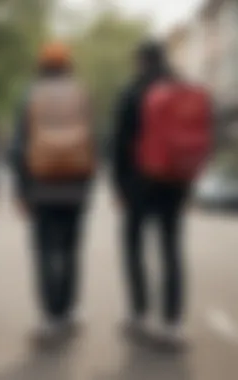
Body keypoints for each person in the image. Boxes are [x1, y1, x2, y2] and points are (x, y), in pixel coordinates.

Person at [111, 41, 211, 346]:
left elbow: (118, 142)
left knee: (134, 246)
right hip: (176, 182)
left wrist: (119, 186)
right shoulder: (184, 90)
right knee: (171, 249)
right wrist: (189, 182)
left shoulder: (133, 91)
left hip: (140, 183)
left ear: (140, 60)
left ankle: (139, 314)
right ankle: (172, 323)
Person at [10, 42, 95, 334]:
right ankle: (68, 311)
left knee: (44, 250)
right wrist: (89, 186)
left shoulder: (29, 96)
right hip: (74, 186)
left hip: (41, 186)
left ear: (41, 66)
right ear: (68, 65)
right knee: (71, 250)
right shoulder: (82, 94)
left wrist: (21, 190)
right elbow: (93, 142)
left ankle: (49, 316)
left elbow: (18, 147)